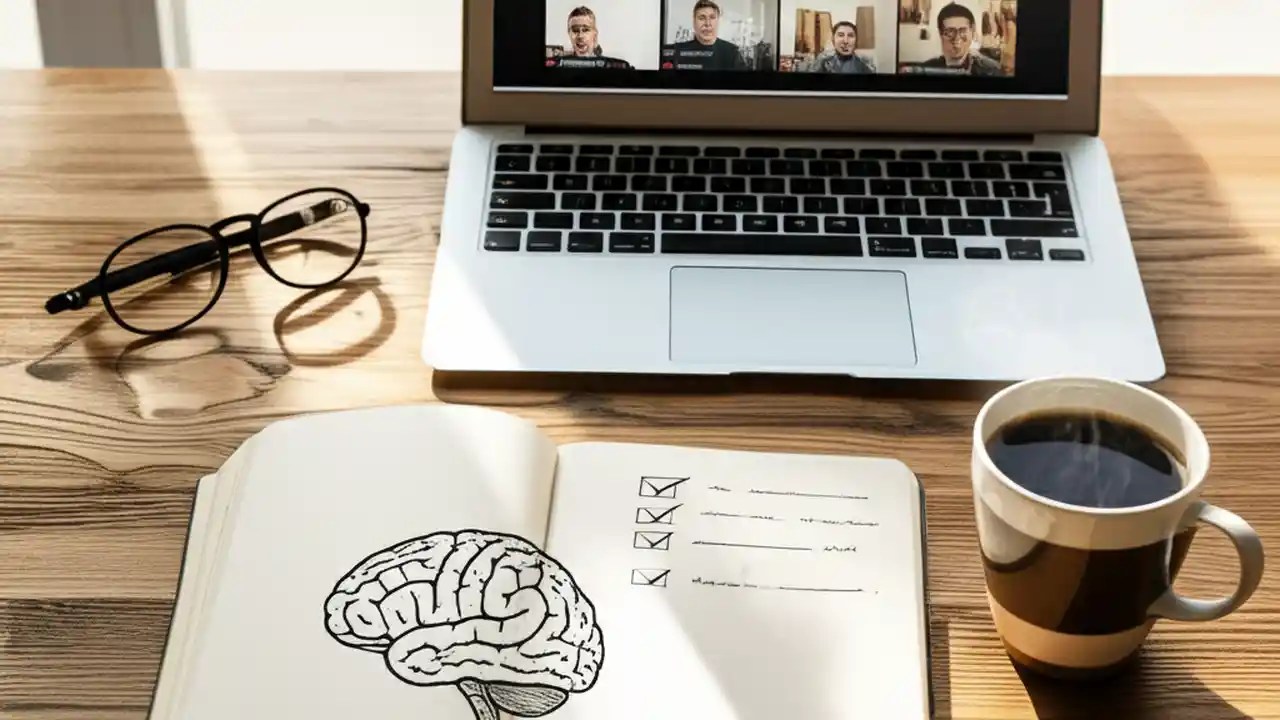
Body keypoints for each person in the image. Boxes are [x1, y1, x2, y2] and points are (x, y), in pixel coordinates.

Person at [918, 3, 1004, 76]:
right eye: (950, 32)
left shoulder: (990, 70)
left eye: (963, 31)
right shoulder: (925, 69)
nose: (957, 38)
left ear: (972, 32)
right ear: (940, 34)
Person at [664, 0, 748, 71]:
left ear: (718, 21)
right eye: (702, 18)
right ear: (694, 22)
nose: (707, 24)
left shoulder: (733, 53)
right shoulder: (676, 51)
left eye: (712, 17)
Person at [549, 6, 634, 70]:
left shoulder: (616, 66)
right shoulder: (556, 64)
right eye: (575, 30)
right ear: (569, 33)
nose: (580, 36)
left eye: (586, 30)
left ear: (595, 34)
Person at [802, 21, 875, 74]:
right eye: (841, 35)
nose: (845, 41)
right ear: (833, 40)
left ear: (856, 40)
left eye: (850, 36)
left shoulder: (864, 64)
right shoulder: (823, 61)